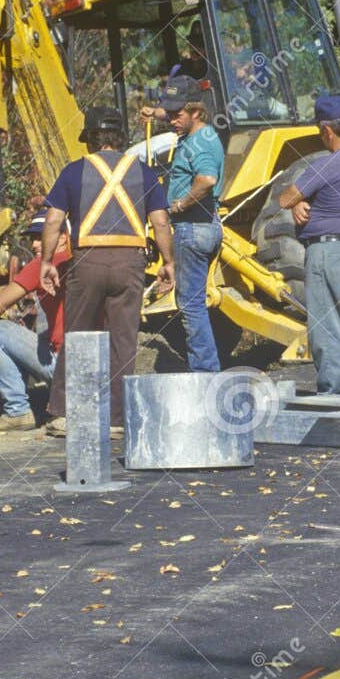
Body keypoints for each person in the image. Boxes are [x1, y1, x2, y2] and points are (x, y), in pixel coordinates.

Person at [39, 106, 174, 436]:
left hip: (87, 262)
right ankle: (117, 420)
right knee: (123, 340)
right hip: (130, 263)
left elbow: (54, 220)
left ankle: (65, 415)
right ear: (120, 137)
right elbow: (160, 222)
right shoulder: (144, 172)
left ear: (91, 140)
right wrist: (169, 263)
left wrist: (45, 261)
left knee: (77, 335)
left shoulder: (74, 171)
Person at [277, 94, 340, 396]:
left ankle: (335, 394)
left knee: (325, 328)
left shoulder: (328, 164)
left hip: (327, 253)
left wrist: (296, 201)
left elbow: (285, 197)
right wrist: (300, 202)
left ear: (327, 131)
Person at [0, 212, 70, 433]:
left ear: (63, 237)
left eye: (41, 237)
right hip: (95, 365)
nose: (36, 244)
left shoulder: (40, 266)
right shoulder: (82, 262)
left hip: (62, 367)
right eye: (33, 238)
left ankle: (17, 410)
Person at [160, 74, 225, 372]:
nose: (172, 119)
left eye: (178, 114)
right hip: (208, 224)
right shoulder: (204, 135)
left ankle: (204, 372)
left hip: (192, 226)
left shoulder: (198, 142)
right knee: (195, 302)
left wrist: (180, 204)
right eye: (169, 113)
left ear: (196, 111)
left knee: (190, 304)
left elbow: (207, 179)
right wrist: (154, 112)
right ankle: (207, 365)